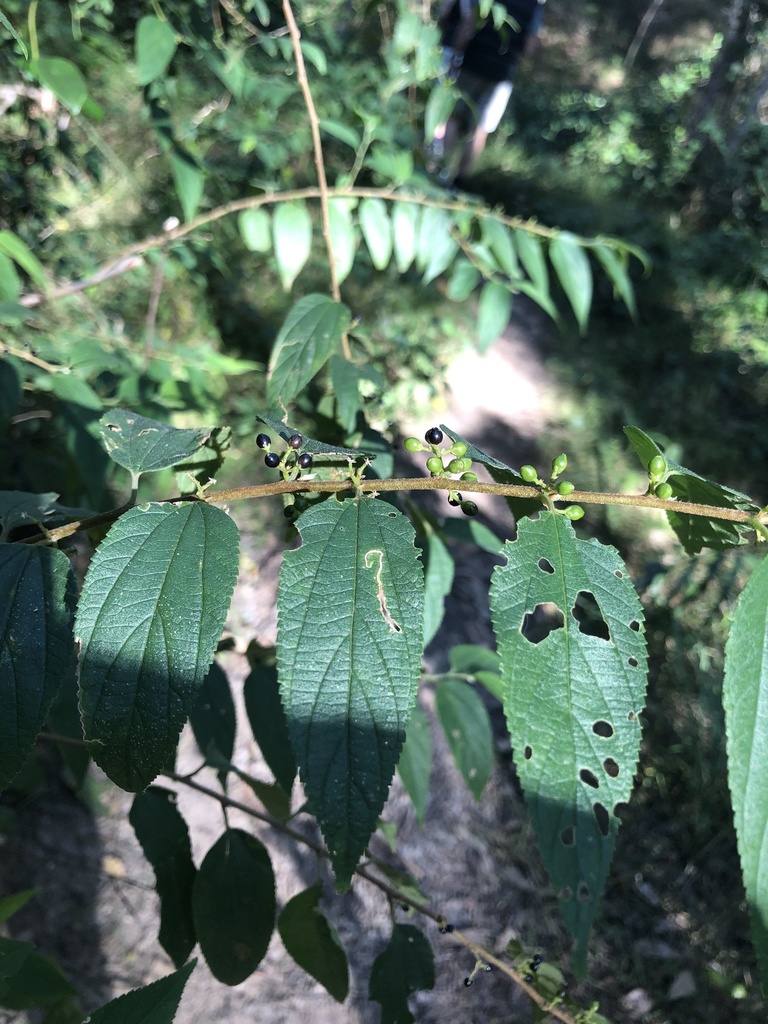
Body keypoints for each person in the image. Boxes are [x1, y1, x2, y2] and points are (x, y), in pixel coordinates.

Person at [429, 0, 545, 183]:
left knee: (451, 117)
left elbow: (468, 23)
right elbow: (529, 47)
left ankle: (437, 172)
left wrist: (456, 57)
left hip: (471, 64)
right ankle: (459, 182)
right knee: (480, 129)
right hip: (501, 75)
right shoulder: (534, 6)